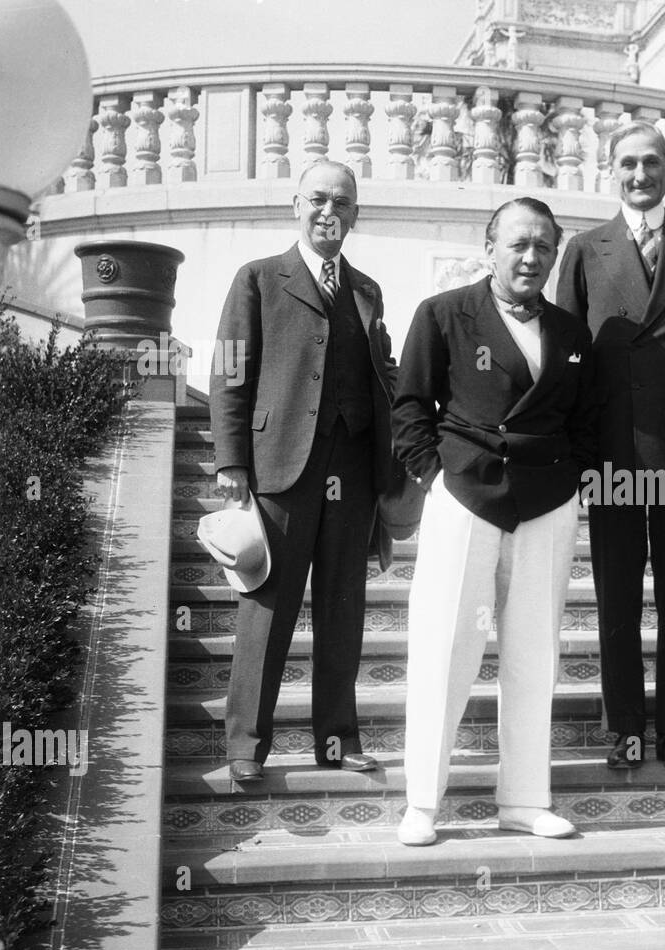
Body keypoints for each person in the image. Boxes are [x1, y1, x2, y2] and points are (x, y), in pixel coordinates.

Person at [392, 197, 599, 846]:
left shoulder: (571, 334)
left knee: (534, 654)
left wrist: (570, 485)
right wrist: (435, 477)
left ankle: (524, 799)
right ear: (490, 250)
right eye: (518, 244)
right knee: (444, 649)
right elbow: (409, 408)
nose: (532, 257)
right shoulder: (444, 314)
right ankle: (422, 801)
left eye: (544, 246)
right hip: (466, 497)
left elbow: (586, 423)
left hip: (545, 506)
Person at [554, 121, 665, 771]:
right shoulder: (584, 249)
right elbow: (567, 350)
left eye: (651, 162)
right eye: (627, 163)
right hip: (612, 454)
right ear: (611, 169)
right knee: (618, 598)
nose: (640, 174)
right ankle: (625, 728)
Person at [211, 160, 397, 782]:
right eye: (318, 199)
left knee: (343, 610)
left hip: (353, 473)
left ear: (356, 214)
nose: (330, 212)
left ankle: (338, 741)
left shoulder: (367, 290)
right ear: (296, 204)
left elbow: (383, 379)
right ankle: (246, 745)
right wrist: (232, 461)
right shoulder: (259, 279)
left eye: (342, 203)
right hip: (280, 470)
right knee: (267, 609)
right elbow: (231, 373)